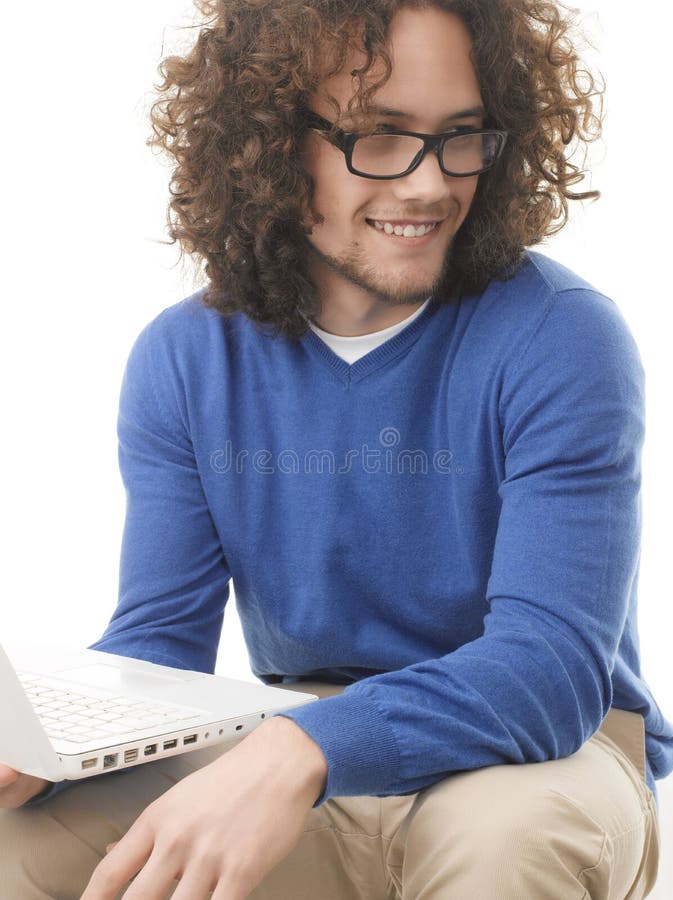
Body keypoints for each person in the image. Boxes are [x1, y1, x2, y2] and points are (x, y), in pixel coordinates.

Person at [1, 0, 671, 897]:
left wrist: (303, 749)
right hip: (296, 740)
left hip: (543, 747)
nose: (431, 185)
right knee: (22, 841)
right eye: (381, 136)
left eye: (461, 136)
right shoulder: (186, 356)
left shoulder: (561, 336)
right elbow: (157, 644)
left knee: (502, 842)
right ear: (272, 145)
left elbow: (548, 669)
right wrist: (52, 742)